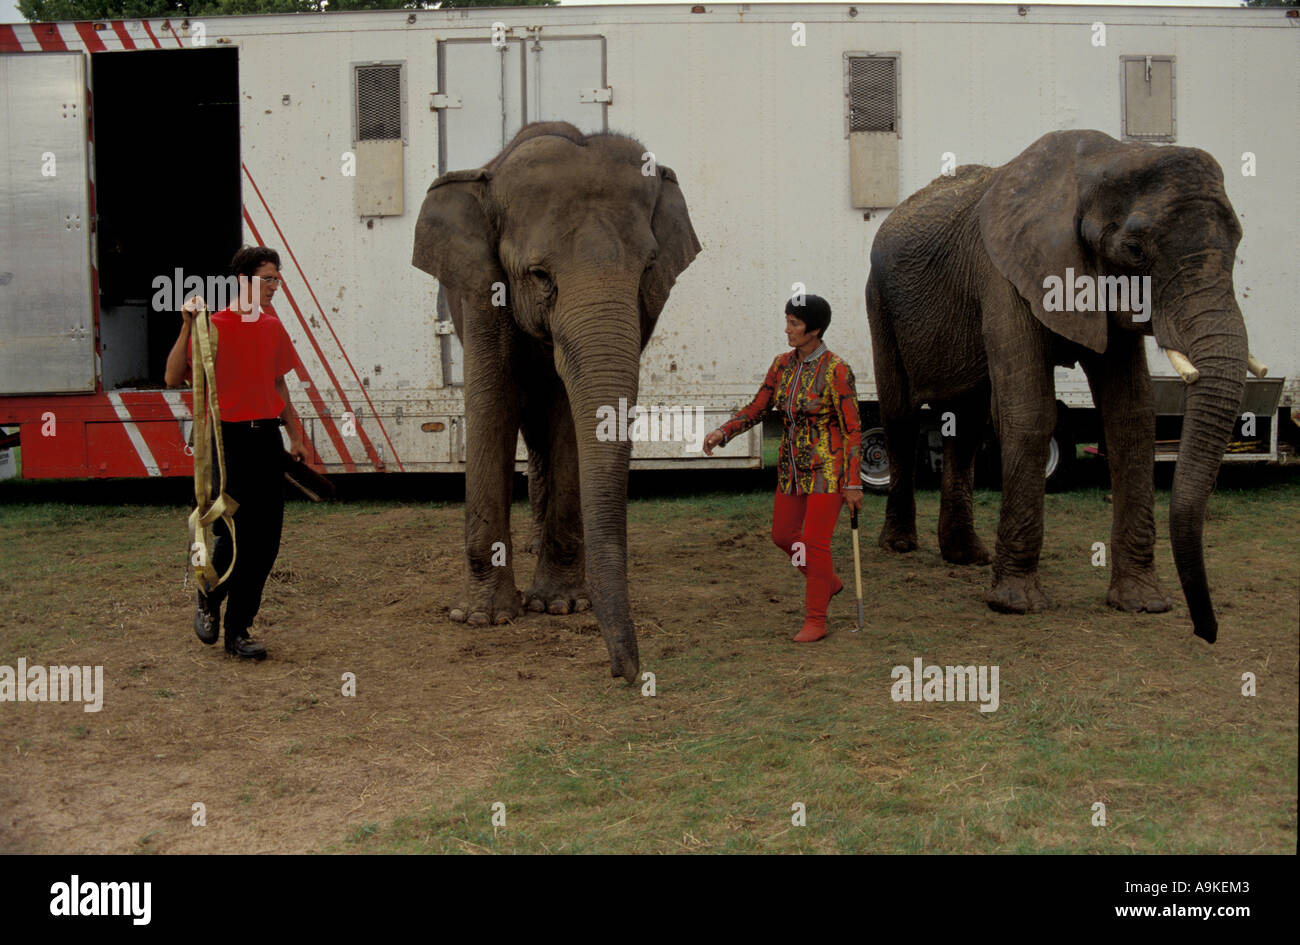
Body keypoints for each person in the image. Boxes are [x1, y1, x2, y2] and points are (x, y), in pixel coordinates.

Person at [164, 246, 307, 660]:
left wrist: (294, 436)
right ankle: (208, 598)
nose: (275, 287)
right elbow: (173, 376)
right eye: (268, 279)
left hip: (266, 440)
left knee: (265, 542)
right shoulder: (214, 326)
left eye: (278, 279)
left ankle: (239, 630)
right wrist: (187, 325)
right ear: (243, 281)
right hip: (225, 443)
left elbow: (279, 385)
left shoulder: (272, 327)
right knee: (229, 535)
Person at [703, 295, 863, 642]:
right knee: (783, 536)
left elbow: (852, 430)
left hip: (828, 469)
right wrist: (723, 431)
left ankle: (816, 620)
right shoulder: (781, 365)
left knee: (814, 543)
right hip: (791, 468)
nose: (787, 329)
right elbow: (758, 407)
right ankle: (828, 582)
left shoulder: (837, 370)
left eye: (795, 323)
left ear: (815, 330)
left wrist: (853, 482)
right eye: (787, 321)